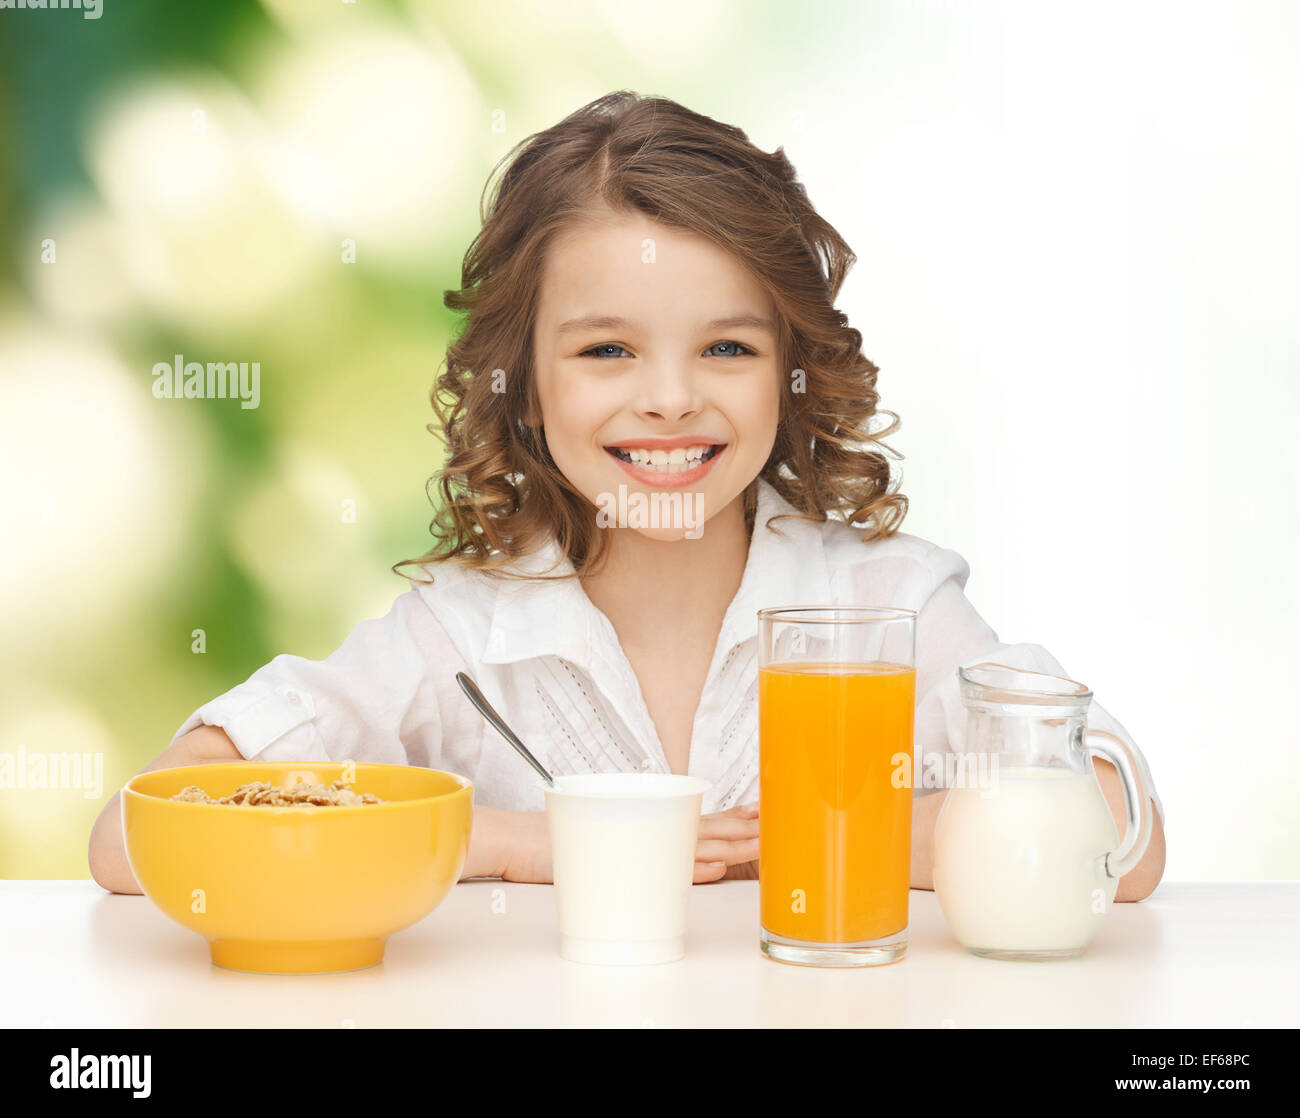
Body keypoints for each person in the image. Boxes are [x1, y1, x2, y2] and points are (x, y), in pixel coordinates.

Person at [89, 91, 1165, 899]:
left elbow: (1122, 837)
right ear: (524, 380)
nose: (668, 399)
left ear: (791, 369)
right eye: (606, 348)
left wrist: (843, 826)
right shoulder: (459, 640)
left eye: (726, 347)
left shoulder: (888, 606)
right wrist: (524, 844)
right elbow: (139, 836)